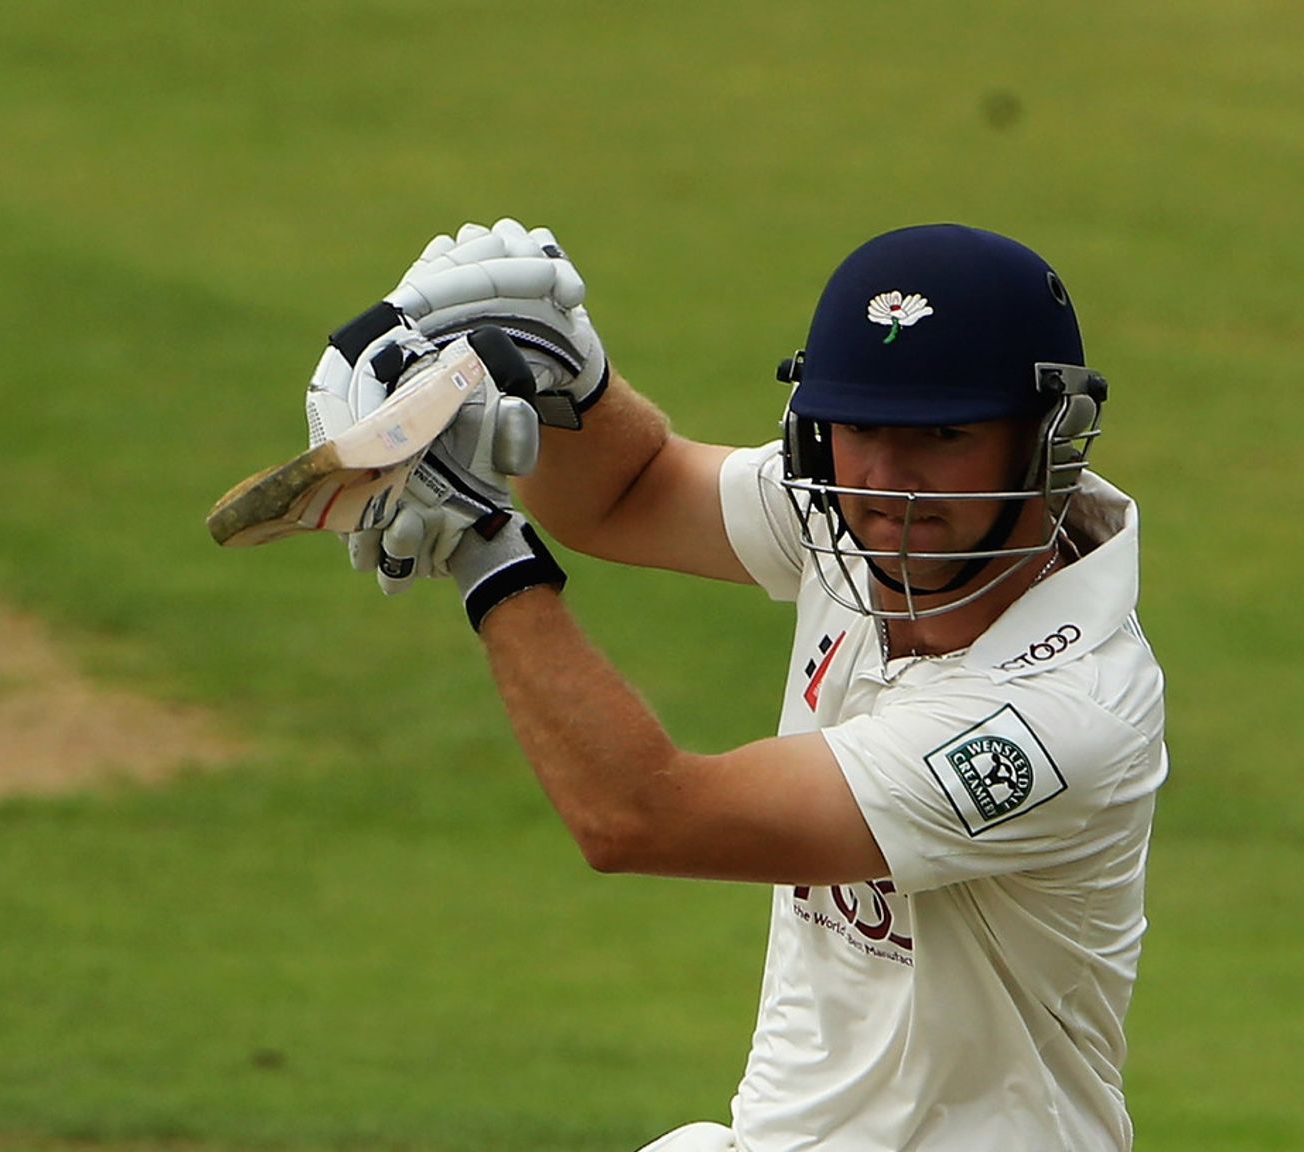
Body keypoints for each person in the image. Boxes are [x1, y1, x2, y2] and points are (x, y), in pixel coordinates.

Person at [301, 219, 1170, 1151]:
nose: (888, 481)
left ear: (1049, 439)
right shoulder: (851, 519)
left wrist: (484, 548)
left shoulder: (1061, 716)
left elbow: (641, 816)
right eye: (858, 427)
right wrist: (568, 386)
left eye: (943, 433)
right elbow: (629, 492)